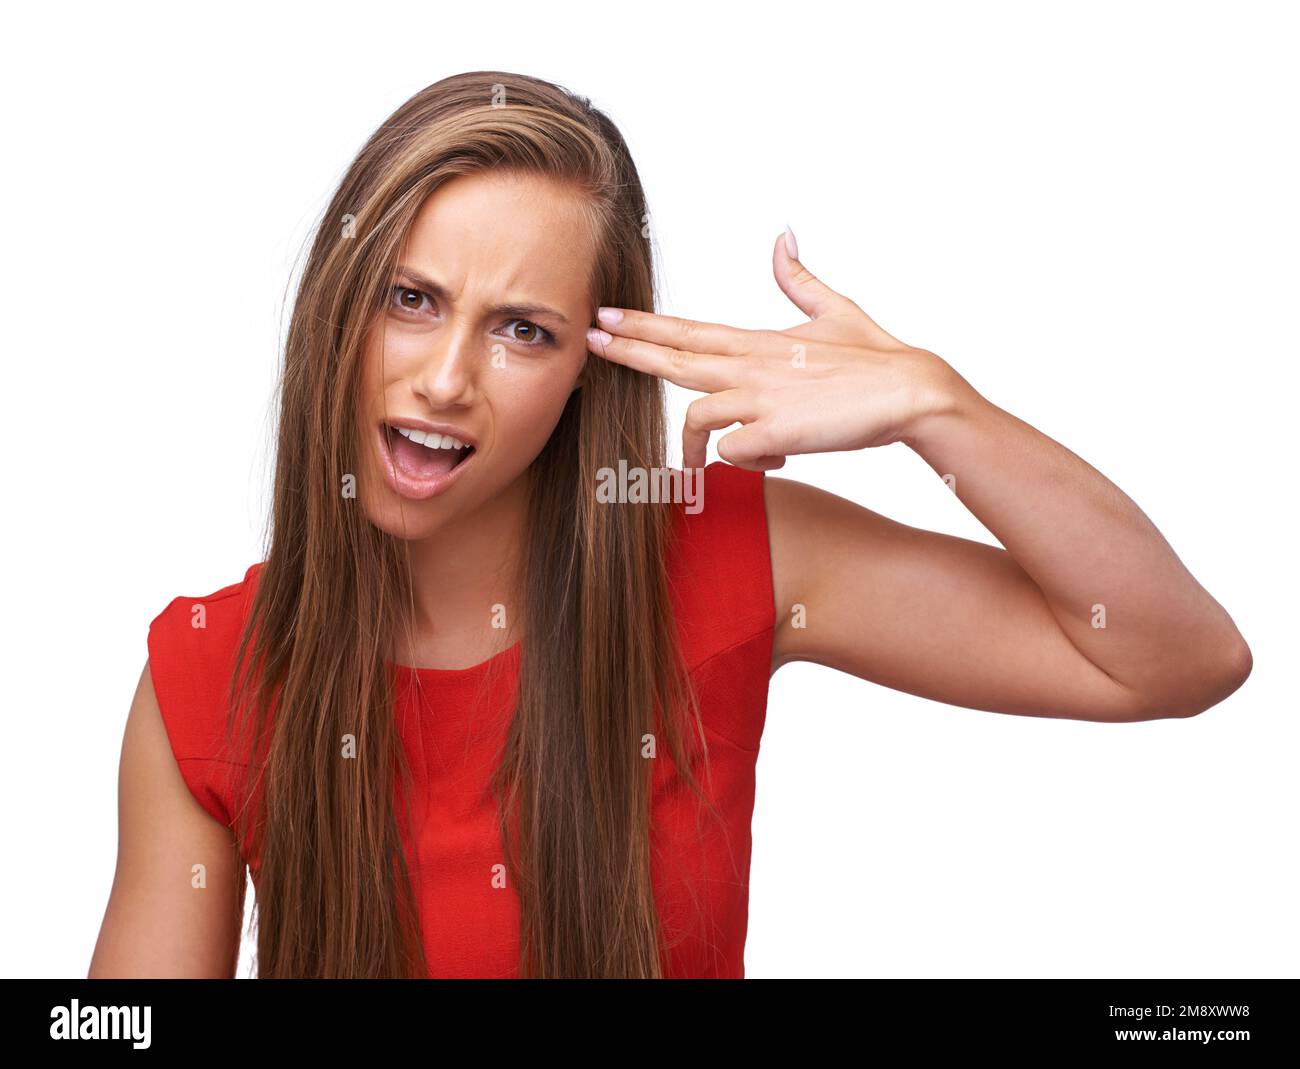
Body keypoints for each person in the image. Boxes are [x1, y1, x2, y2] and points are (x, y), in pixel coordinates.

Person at [89, 70, 1251, 979]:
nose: (445, 379)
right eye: (411, 299)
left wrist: (937, 408)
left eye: (521, 330)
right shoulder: (208, 672)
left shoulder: (719, 552)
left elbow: (1173, 658)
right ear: (337, 310)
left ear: (589, 375)